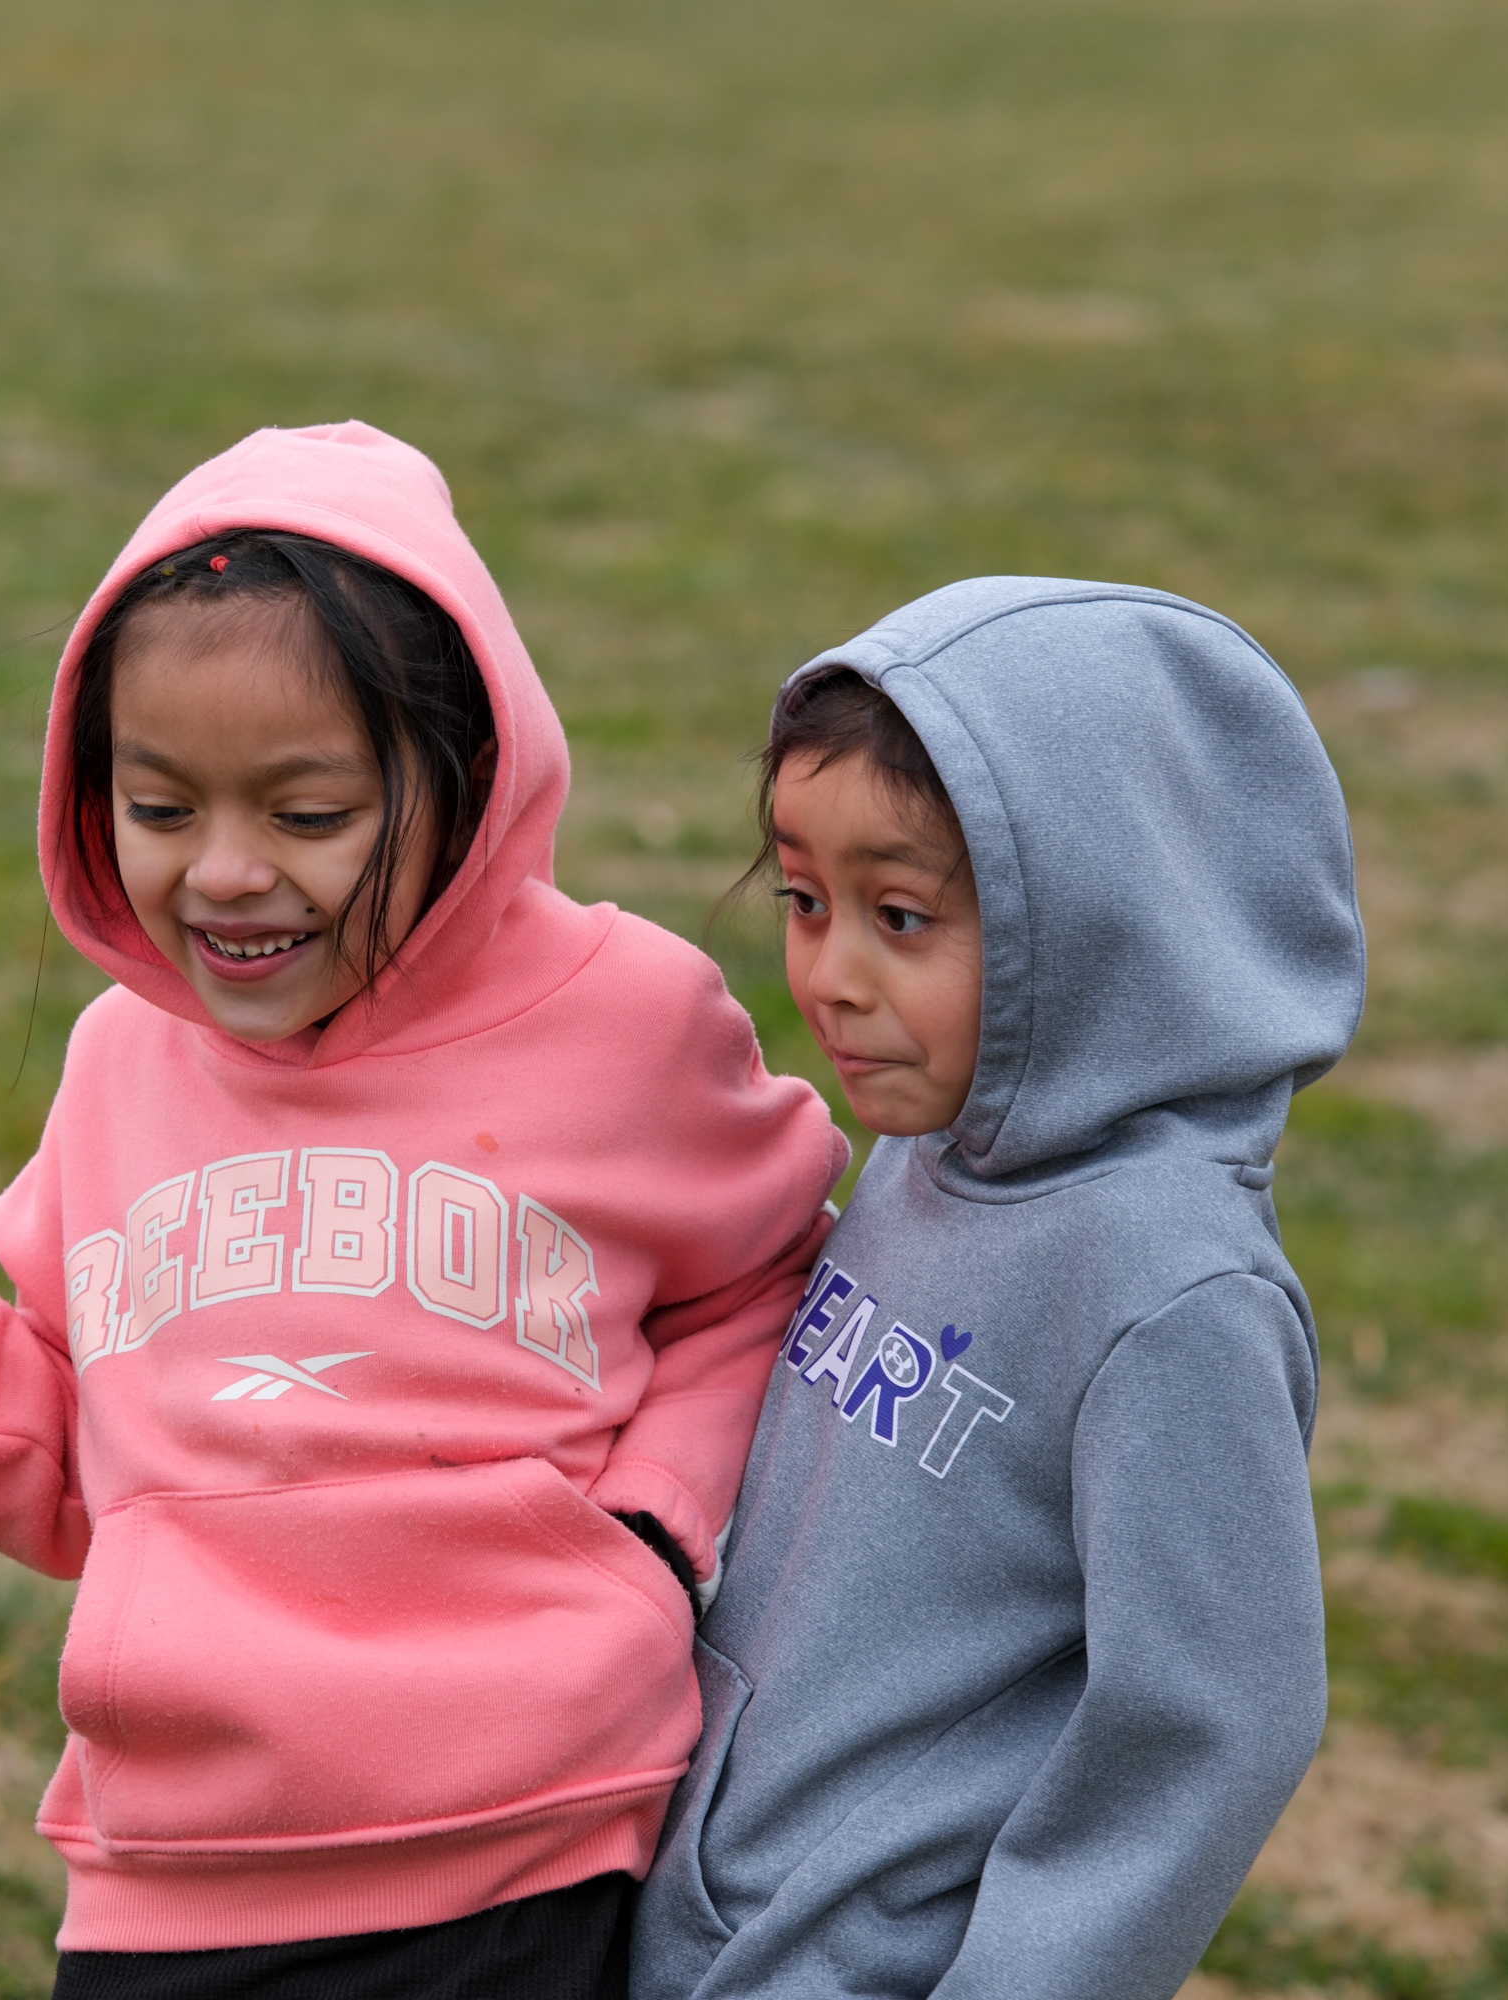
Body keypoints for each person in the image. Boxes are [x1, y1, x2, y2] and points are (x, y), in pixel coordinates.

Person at [0, 423, 846, 1998]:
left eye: (308, 817)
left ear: (467, 781)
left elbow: (770, 1284)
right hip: (169, 1871)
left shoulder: (631, 1022)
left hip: (522, 1838)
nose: (227, 875)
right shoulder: (118, 1064)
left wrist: (649, 1525)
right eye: (162, 811)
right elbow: (63, 1463)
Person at [629, 580, 1367, 2000]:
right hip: (701, 1916)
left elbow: (1214, 1727)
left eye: (902, 917)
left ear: (1100, 922)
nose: (831, 977)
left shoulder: (1173, 1292)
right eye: (804, 902)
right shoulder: (931, 1146)